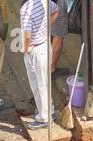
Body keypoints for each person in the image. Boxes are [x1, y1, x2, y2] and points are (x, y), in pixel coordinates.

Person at [20, 0, 58, 128]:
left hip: (35, 50)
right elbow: (56, 11)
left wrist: (26, 49)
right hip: (46, 45)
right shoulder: (45, 2)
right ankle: (49, 110)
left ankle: (44, 118)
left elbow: (27, 36)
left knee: (38, 85)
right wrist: (46, 29)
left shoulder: (26, 9)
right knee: (44, 83)